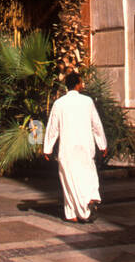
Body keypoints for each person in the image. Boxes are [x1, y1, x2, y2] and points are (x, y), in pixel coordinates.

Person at [43, 71, 107, 223]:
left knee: (69, 180)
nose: (83, 85)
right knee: (87, 174)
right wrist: (102, 144)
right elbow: (96, 125)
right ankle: (86, 201)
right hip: (85, 147)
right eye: (81, 82)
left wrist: (48, 148)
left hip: (67, 148)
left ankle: (74, 213)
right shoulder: (87, 101)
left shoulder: (59, 103)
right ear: (77, 85)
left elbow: (53, 128)